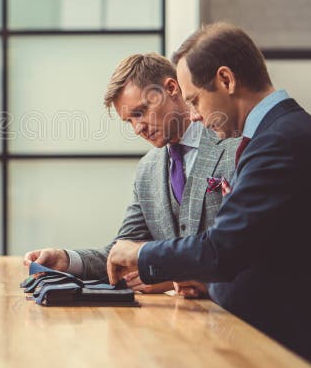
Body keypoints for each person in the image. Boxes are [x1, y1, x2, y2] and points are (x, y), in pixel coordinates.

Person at [107, 23, 311, 368]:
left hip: (307, 353)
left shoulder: (278, 143)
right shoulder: (279, 133)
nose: (197, 116)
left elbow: (223, 249)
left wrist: (142, 255)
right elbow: (266, 253)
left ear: (226, 80)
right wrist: (206, 282)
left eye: (195, 100)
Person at [23, 52, 240, 296]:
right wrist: (68, 260)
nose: (138, 129)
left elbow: (250, 250)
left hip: (243, 322)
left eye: (140, 112)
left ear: (171, 88)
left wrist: (173, 275)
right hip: (179, 323)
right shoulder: (147, 170)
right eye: (129, 121)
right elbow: (121, 251)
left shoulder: (236, 146)